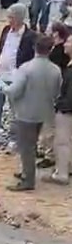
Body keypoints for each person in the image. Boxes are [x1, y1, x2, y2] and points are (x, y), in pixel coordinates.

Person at [2, 35, 63, 191]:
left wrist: (2, 87)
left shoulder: (26, 68)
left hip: (25, 112)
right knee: (33, 144)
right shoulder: (55, 70)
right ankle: (26, 172)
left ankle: (28, 179)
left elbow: (15, 91)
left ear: (34, 48)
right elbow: (57, 92)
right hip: (44, 113)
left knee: (26, 147)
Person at [0, 4, 38, 145]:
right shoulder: (6, 30)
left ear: (20, 18)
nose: (9, 20)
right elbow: (1, 50)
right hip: (0, 74)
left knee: (16, 108)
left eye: (11, 17)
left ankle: (14, 137)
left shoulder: (31, 36)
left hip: (15, 77)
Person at [47, 35, 72, 184]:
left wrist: (60, 106)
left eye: (69, 42)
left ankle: (61, 173)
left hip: (67, 111)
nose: (65, 44)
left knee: (62, 142)